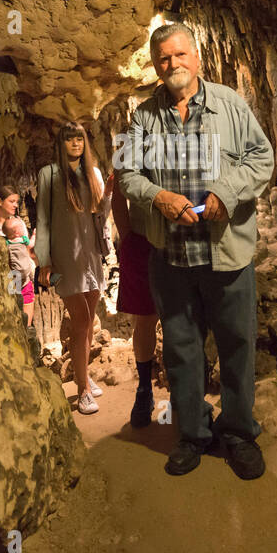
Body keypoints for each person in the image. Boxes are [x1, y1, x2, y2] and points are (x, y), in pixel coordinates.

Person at [117, 22, 274, 478]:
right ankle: (193, 435)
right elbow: (128, 174)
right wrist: (157, 198)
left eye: (179, 55)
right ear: (156, 65)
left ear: (196, 57)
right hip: (172, 257)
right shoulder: (143, 117)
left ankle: (239, 434)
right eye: (163, 58)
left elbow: (260, 158)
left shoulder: (229, 105)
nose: (173, 64)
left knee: (237, 347)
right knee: (183, 351)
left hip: (227, 253)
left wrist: (227, 190)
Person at [35, 121, 113, 415]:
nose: (75, 144)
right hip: (65, 257)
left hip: (91, 254)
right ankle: (82, 392)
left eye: (79, 139)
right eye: (69, 139)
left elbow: (100, 214)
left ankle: (85, 376)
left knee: (89, 321)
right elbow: (42, 219)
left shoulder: (92, 173)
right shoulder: (49, 175)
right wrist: (45, 260)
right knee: (80, 322)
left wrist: (108, 193)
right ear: (61, 143)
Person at [106, 168, 159, 428]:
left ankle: (184, 390)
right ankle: (145, 389)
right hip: (141, 239)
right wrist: (126, 236)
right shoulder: (131, 143)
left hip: (177, 239)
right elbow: (118, 193)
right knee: (145, 319)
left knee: (179, 321)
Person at [3, 216, 37, 325]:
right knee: (27, 299)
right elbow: (31, 244)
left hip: (13, 278)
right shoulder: (23, 240)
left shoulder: (6, 243)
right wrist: (35, 235)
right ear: (18, 232)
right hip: (25, 279)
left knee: (14, 299)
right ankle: (27, 327)